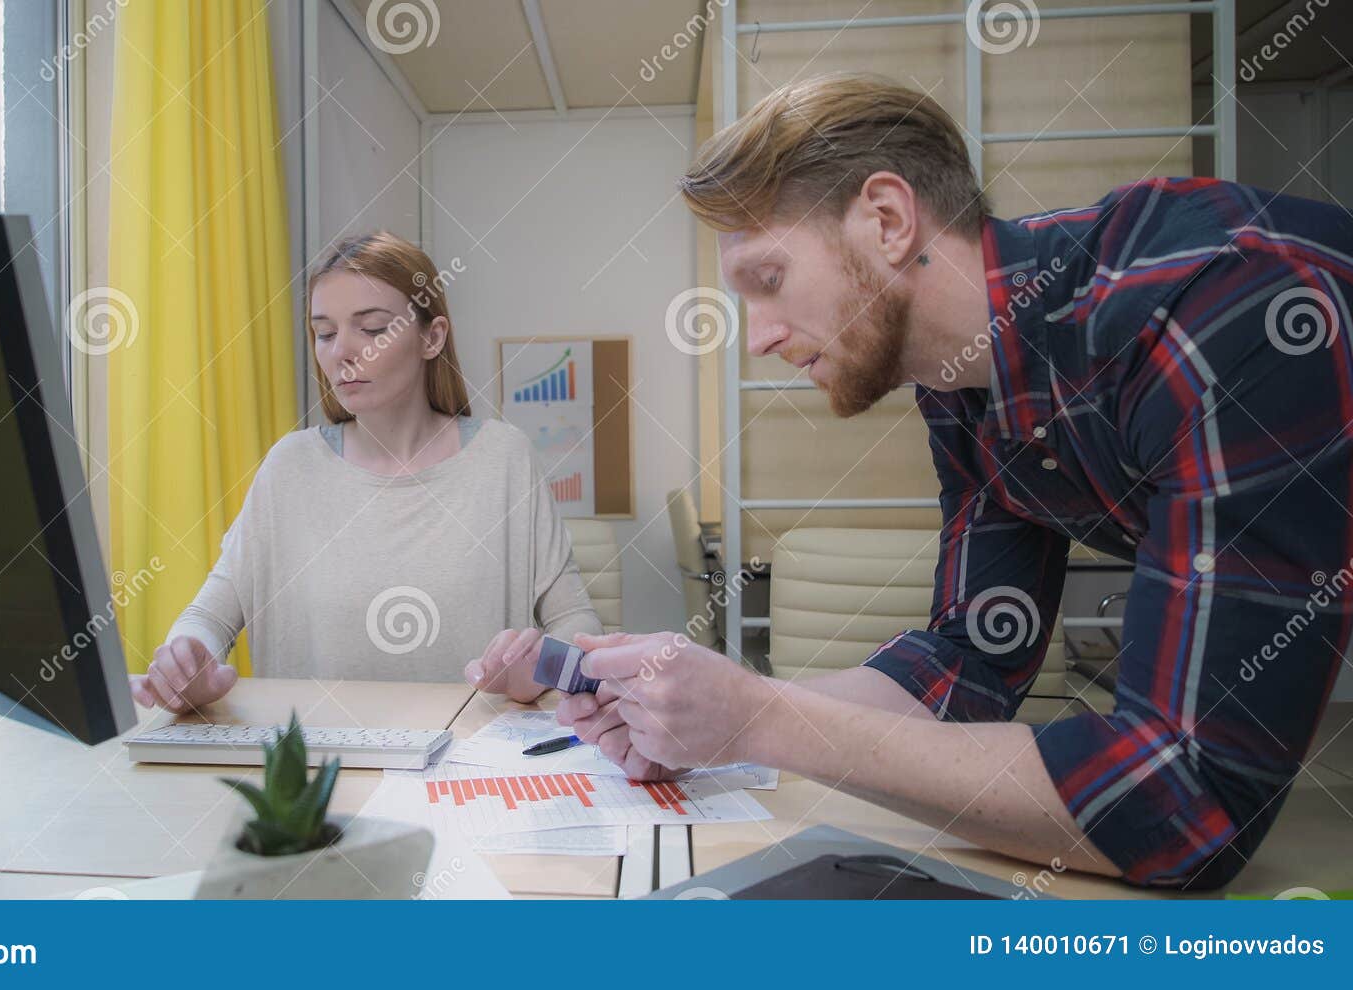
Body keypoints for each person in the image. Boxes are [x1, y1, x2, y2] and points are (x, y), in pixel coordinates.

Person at [559, 72, 1353, 889]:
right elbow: (968, 662)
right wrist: (716, 716)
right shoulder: (961, 384)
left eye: (768, 280)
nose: (756, 337)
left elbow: (1182, 803)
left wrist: (761, 720)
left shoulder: (1219, 306)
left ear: (887, 221)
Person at [130, 231, 601, 712]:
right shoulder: (290, 468)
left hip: (464, 768)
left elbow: (577, 626)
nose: (341, 353)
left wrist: (539, 671)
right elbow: (209, 616)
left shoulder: (504, 458)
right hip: (320, 770)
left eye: (373, 329)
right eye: (325, 333)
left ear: (432, 337)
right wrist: (187, 662)